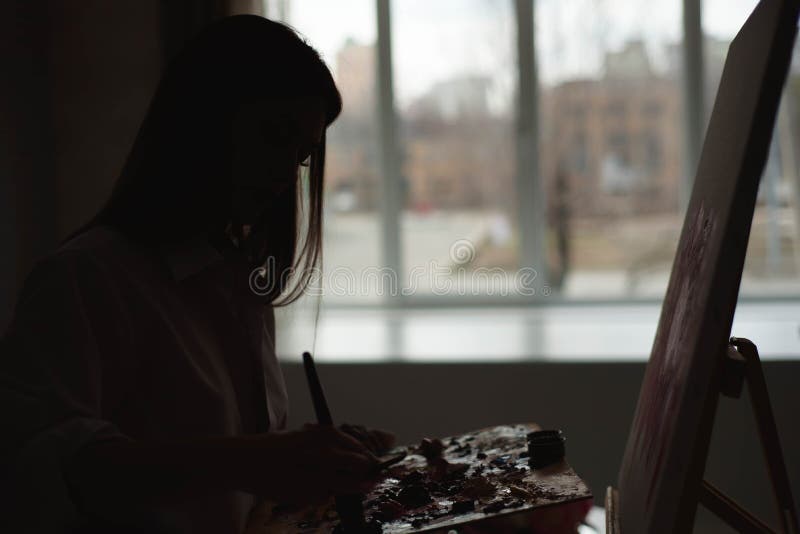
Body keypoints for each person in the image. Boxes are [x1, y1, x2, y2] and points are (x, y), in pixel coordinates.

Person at [0, 15, 393, 534]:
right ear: (201, 122)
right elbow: (42, 474)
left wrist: (307, 457)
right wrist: (257, 459)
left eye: (301, 157)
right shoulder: (84, 278)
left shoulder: (238, 280)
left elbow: (223, 470)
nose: (285, 175)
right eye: (273, 135)